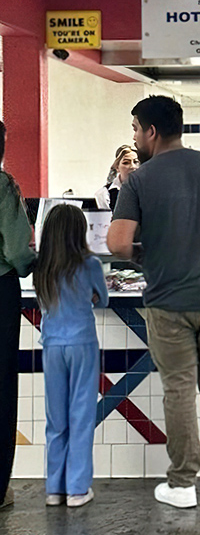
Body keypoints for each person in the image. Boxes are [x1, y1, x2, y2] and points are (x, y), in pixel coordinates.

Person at [107, 95, 200, 509]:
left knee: (179, 390)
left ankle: (183, 483)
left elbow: (117, 243)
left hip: (169, 300)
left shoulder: (140, 180)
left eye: (136, 129)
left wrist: (148, 248)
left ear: (151, 131)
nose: (135, 138)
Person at [34, 204, 108, 508]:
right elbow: (102, 300)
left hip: (52, 345)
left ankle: (54, 489)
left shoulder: (42, 266)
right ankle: (77, 489)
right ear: (80, 231)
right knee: (81, 416)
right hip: (82, 344)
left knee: (56, 419)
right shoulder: (90, 264)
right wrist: (91, 296)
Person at [0, 121, 37, 511]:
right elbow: (16, 250)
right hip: (0, 290)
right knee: (2, 386)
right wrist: (33, 263)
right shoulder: (2, 186)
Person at [95, 145, 139, 210]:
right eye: (126, 163)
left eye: (136, 162)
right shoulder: (104, 194)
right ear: (117, 167)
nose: (132, 166)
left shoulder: (147, 189)